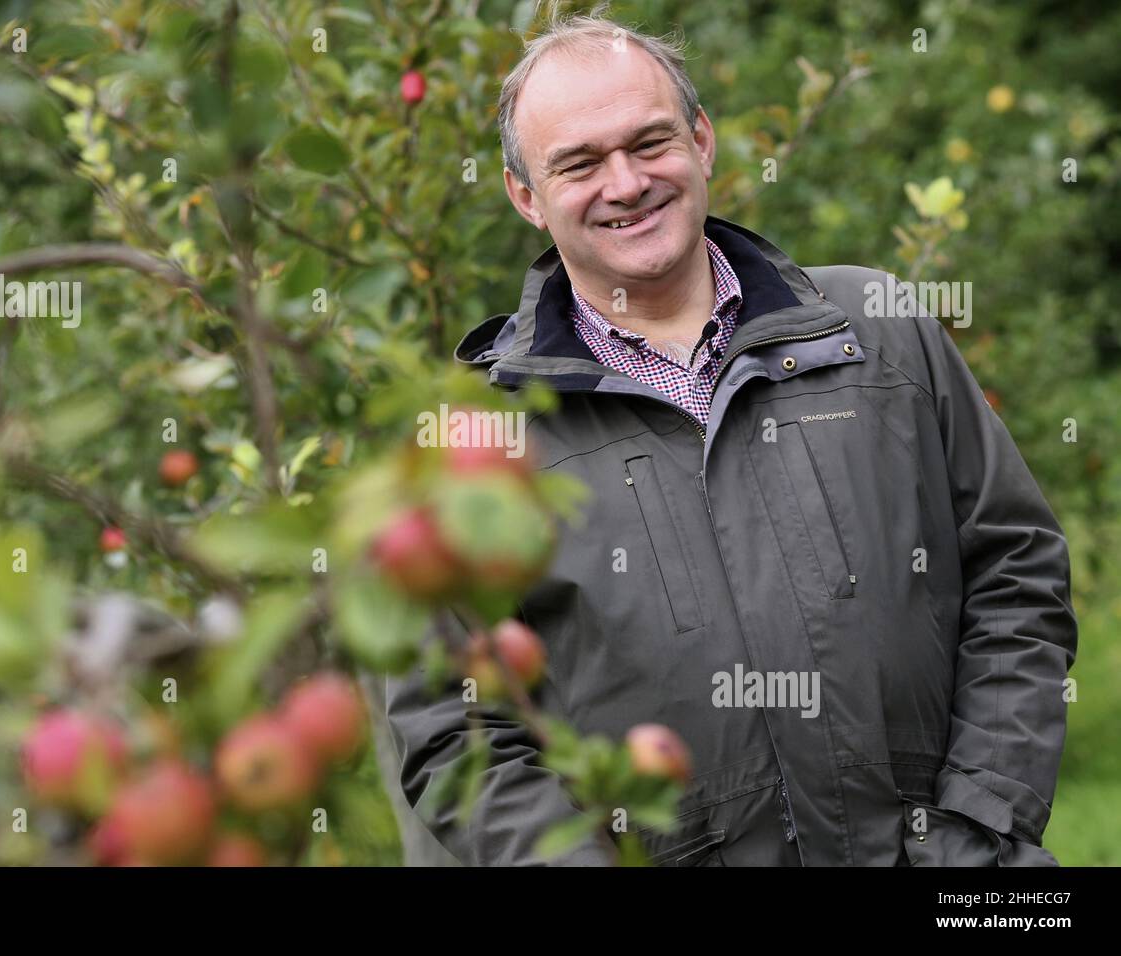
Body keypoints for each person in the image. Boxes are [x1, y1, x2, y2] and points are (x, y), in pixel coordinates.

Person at [384, 7, 1077, 866]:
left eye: (650, 142)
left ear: (703, 141)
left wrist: (977, 829)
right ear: (525, 196)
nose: (628, 182)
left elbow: (1016, 574)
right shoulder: (481, 446)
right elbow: (459, 730)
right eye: (581, 163)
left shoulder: (879, 330)